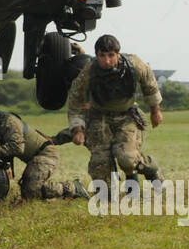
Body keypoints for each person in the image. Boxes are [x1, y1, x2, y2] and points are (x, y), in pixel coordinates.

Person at [64, 33, 164, 187]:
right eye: (102, 56)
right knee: (100, 165)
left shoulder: (134, 65)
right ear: (96, 55)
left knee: (127, 158)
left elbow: (149, 82)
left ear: (118, 54)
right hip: (98, 118)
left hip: (127, 117)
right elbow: (75, 102)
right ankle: (112, 192)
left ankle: (152, 169)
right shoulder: (88, 73)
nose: (107, 61)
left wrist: (155, 110)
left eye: (111, 55)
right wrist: (78, 130)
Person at [0, 100, 88, 200]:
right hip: (34, 158)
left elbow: (17, 147)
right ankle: (46, 196)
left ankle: (73, 188)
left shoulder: (8, 121)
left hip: (45, 154)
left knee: (30, 191)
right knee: (28, 192)